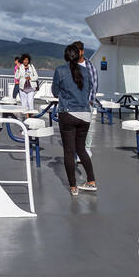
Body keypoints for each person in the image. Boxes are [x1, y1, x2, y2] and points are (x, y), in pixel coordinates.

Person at [51, 45, 97, 196]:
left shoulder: (60, 70)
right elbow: (90, 90)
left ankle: (73, 187)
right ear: (79, 56)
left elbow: (55, 92)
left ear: (66, 56)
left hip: (68, 114)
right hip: (85, 115)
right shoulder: (87, 71)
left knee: (69, 152)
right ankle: (91, 181)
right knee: (81, 149)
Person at [72, 40, 98, 157]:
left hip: (87, 103)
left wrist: (90, 101)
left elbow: (94, 84)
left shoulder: (89, 66)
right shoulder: (70, 66)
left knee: (87, 129)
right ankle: (77, 152)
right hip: (73, 104)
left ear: (82, 51)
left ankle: (86, 150)